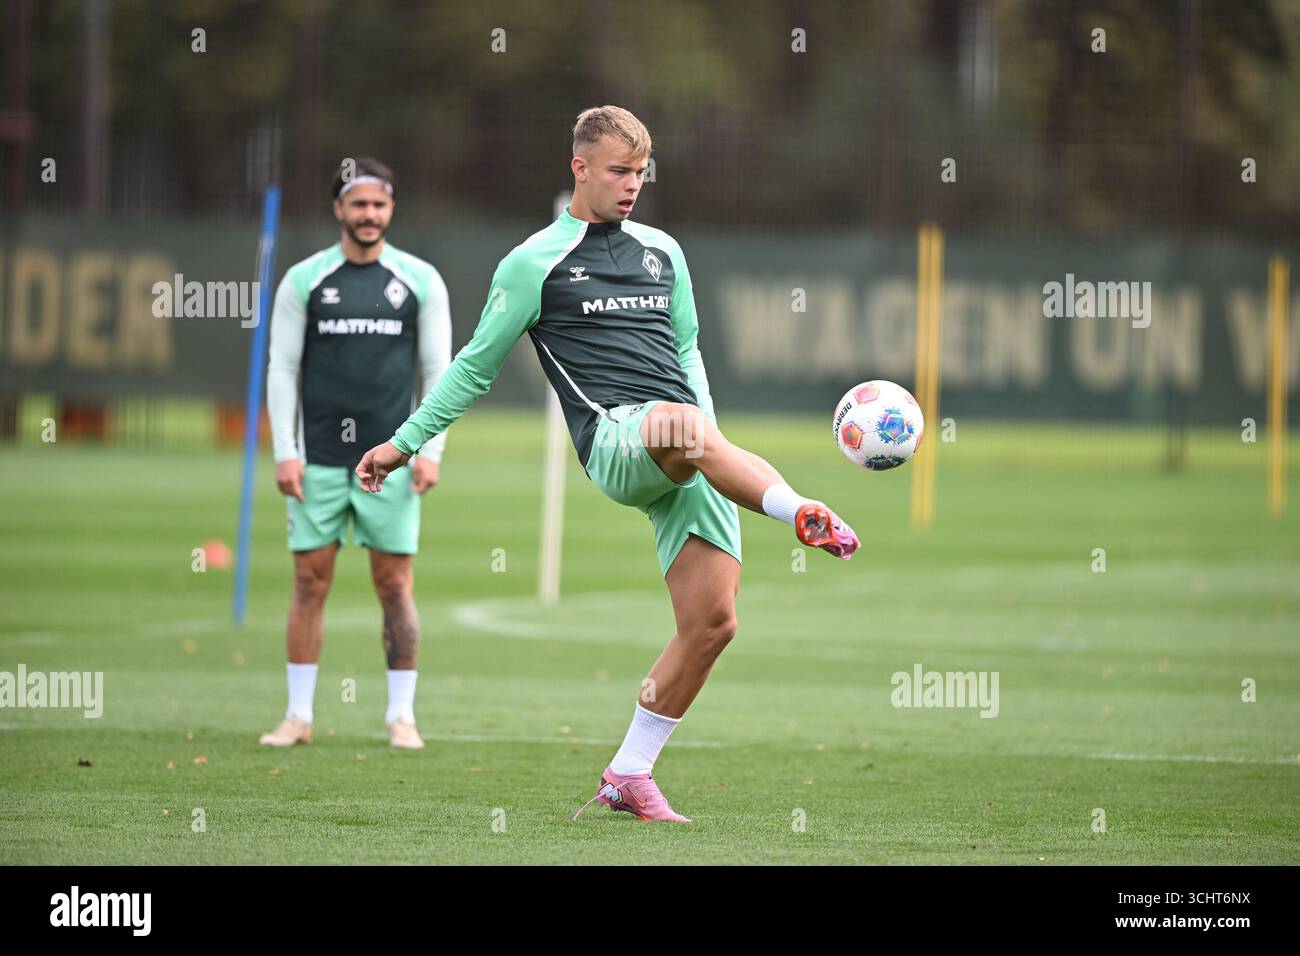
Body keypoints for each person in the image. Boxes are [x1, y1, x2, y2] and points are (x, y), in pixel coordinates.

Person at [355, 108, 858, 818]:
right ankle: (798, 509)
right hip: (617, 439)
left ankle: (629, 772)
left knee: (713, 623)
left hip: (690, 448)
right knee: (683, 425)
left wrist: (709, 443)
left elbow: (687, 352)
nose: (631, 186)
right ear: (580, 168)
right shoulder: (533, 263)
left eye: (641, 173)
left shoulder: (663, 252)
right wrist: (402, 443)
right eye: (619, 171)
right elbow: (474, 367)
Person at [259, 158, 451, 751]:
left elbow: (438, 371)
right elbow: (283, 369)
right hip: (317, 456)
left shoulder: (419, 281)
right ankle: (297, 716)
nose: (369, 215)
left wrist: (428, 448)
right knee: (308, 582)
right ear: (338, 209)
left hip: (389, 457)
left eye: (379, 204)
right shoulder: (304, 280)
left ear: (390, 210)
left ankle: (401, 717)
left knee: (394, 585)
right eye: (358, 204)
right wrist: (285, 451)